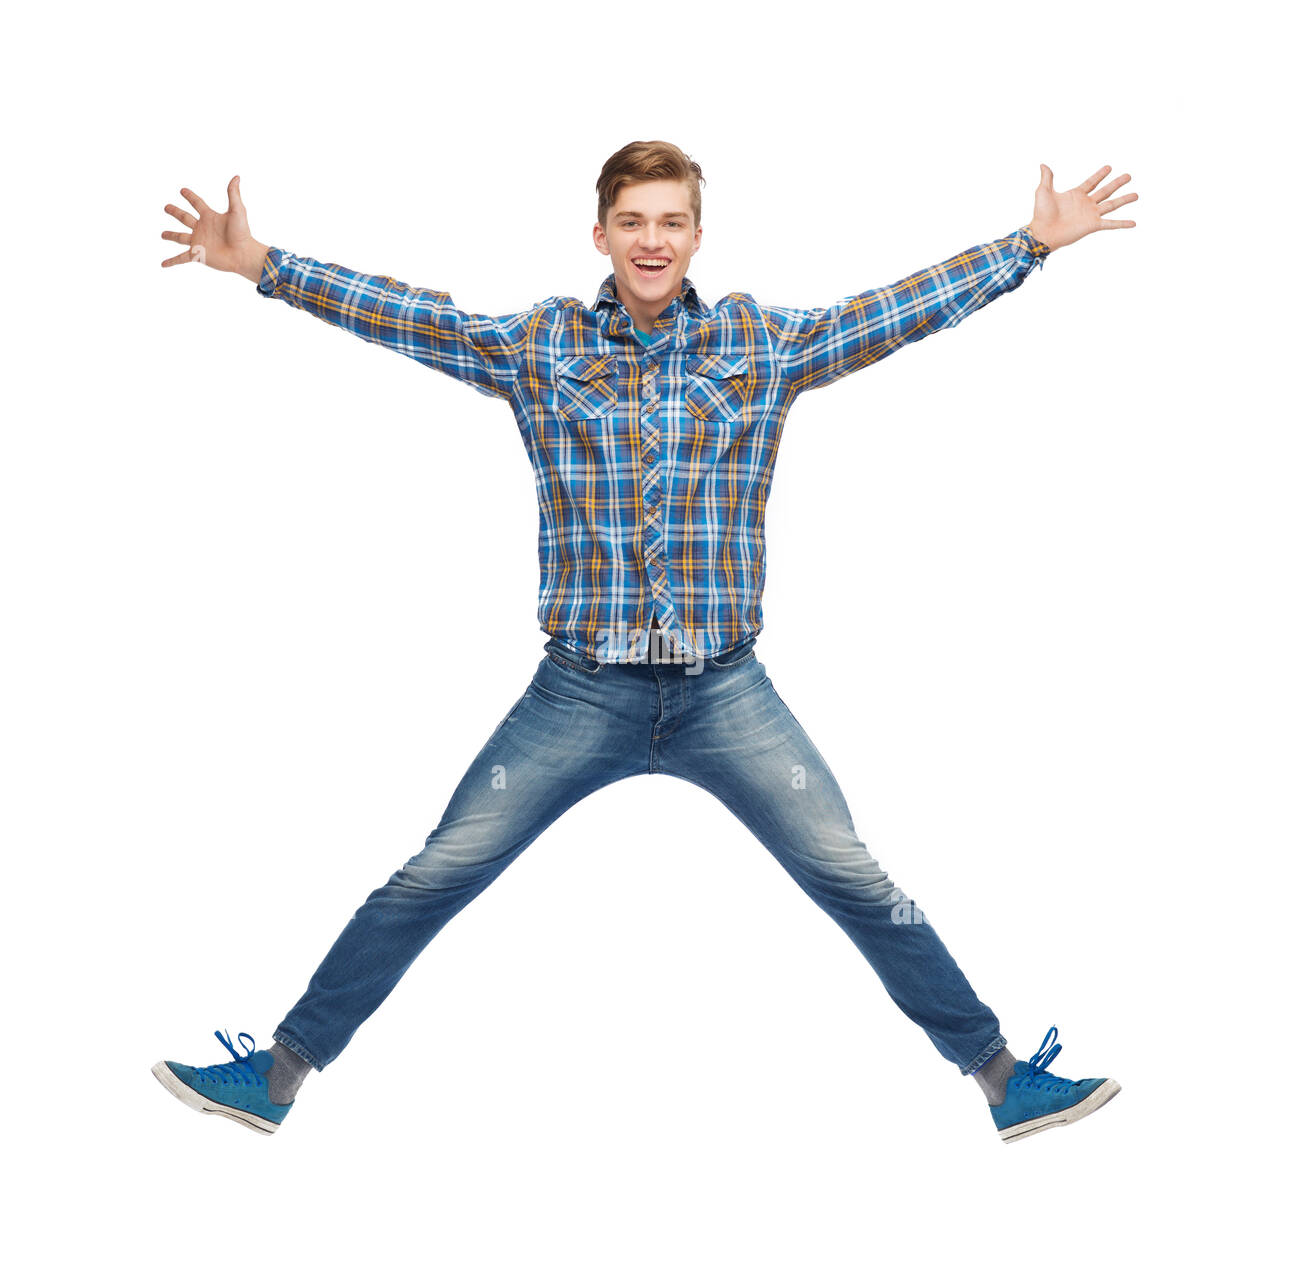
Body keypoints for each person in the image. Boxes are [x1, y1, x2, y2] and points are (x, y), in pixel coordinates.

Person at [152, 141, 1137, 1143]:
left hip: (725, 692)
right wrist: (267, 267)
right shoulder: (542, 346)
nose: (651, 240)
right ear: (602, 235)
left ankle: (1004, 1079)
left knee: (856, 880)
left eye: (670, 221)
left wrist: (1027, 248)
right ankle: (275, 1075)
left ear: (696, 237)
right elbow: (412, 316)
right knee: (435, 873)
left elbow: (886, 313)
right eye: (633, 222)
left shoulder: (759, 344)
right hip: (579, 692)